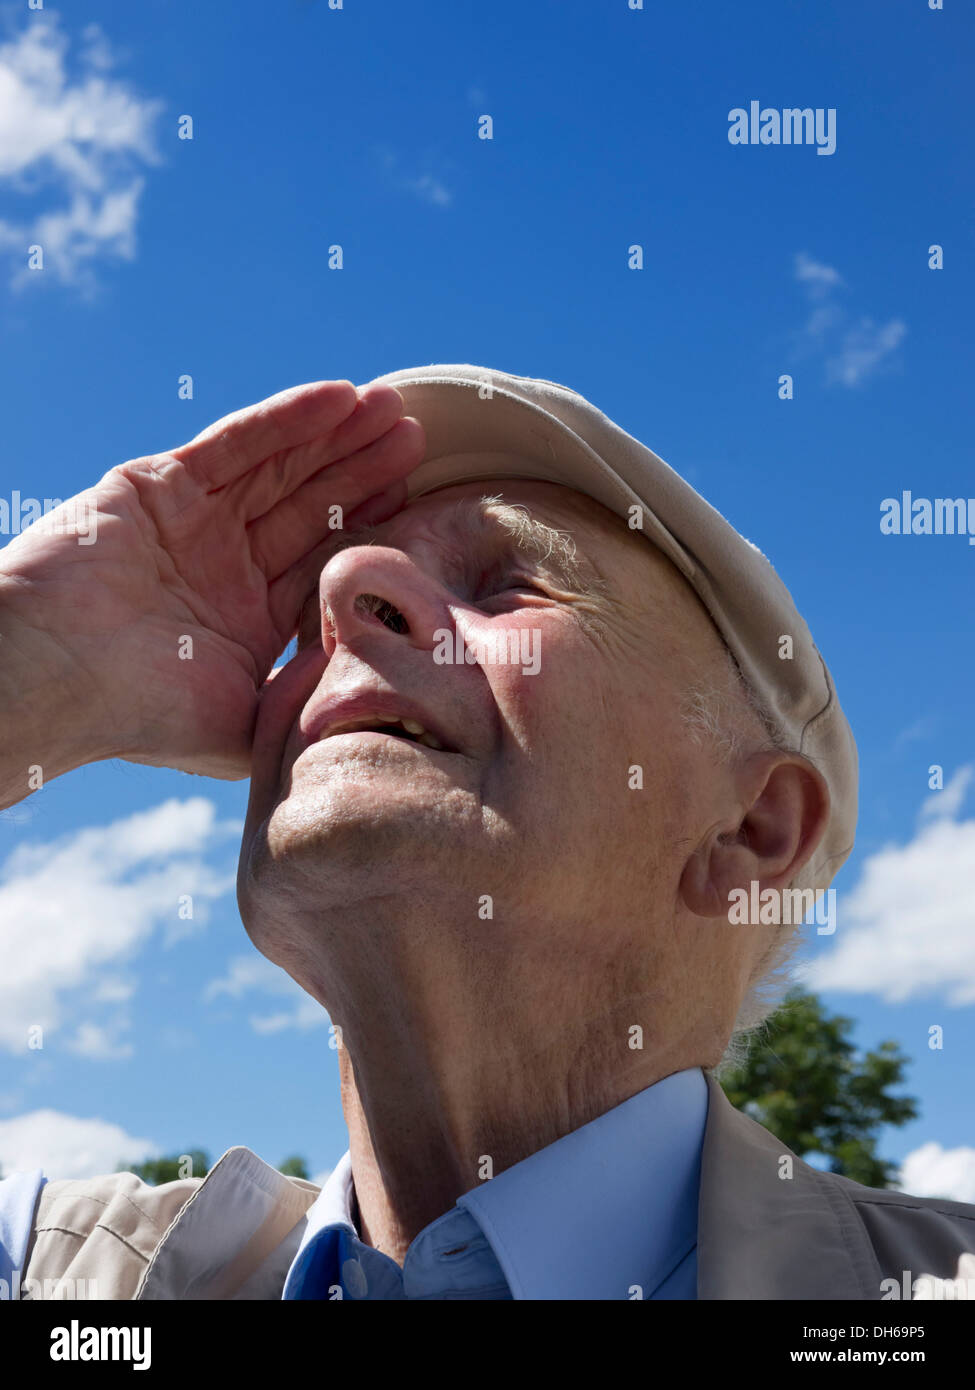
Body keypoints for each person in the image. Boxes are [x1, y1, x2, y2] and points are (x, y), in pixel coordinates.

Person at [1, 364, 972, 1301]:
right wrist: (33, 665)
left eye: (510, 581)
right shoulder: (58, 1275)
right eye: (310, 620)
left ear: (751, 831)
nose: (345, 591)